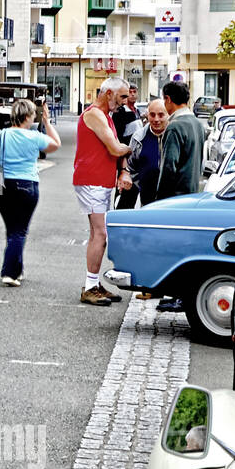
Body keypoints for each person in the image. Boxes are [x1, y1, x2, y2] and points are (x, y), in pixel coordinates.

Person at [0, 98, 60, 286]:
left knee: (12, 229)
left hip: (3, 186)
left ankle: (17, 269)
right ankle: (9, 273)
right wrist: (47, 122)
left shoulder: (0, 136)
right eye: (33, 115)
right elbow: (55, 144)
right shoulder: (34, 137)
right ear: (28, 116)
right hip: (27, 185)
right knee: (20, 230)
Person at [74, 78, 132, 307]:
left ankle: (93, 283)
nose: (124, 102)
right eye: (122, 96)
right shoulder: (95, 114)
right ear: (109, 93)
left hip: (98, 181)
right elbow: (115, 148)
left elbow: (116, 150)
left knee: (98, 233)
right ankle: (89, 287)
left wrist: (122, 169)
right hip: (92, 181)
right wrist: (136, 144)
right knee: (100, 234)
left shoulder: (104, 115)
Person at [154, 81, 208, 314]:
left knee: (174, 249)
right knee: (187, 248)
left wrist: (159, 199)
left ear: (167, 99)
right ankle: (181, 296)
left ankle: (178, 296)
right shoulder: (197, 123)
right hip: (192, 192)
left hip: (175, 196)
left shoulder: (175, 127)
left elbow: (169, 167)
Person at [118, 99, 168, 212]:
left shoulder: (174, 136)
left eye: (161, 115)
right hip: (147, 198)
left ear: (168, 115)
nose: (156, 119)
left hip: (170, 198)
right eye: (152, 114)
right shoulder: (138, 137)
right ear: (147, 115)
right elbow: (131, 167)